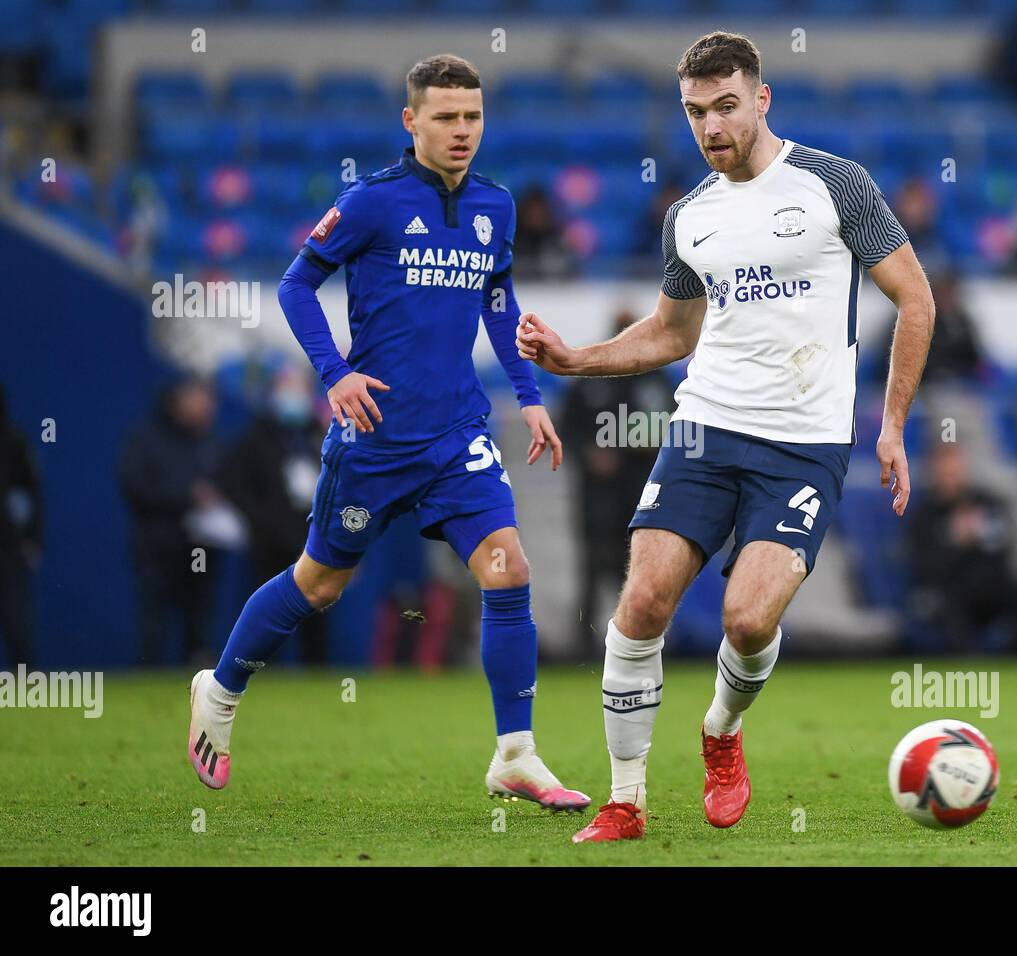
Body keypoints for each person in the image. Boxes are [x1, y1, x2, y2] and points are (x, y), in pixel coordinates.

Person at [518, 32, 934, 842]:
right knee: (641, 601)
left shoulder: (833, 185)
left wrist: (891, 426)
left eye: (726, 106)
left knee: (747, 620)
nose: (711, 126)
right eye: (695, 112)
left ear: (762, 98)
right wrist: (575, 360)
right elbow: (673, 333)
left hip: (805, 444)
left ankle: (722, 731)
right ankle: (626, 800)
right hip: (706, 430)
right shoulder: (690, 218)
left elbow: (915, 301)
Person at [186, 55, 588, 813]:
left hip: (457, 434)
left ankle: (515, 755)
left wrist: (530, 395)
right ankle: (223, 687)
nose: (461, 130)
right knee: (321, 582)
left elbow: (498, 299)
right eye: (445, 117)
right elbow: (296, 284)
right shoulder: (371, 203)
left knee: (509, 570)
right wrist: (334, 373)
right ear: (411, 121)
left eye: (472, 116)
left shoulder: (496, 207)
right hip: (374, 435)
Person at [559, 309, 676, 656]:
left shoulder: (654, 377)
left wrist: (626, 449)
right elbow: (568, 428)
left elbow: (670, 426)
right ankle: (585, 643)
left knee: (641, 567)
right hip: (596, 491)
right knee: (594, 563)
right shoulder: (591, 377)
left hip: (639, 488)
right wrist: (589, 453)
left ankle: (643, 639)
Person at [218, 362, 330, 664]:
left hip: (309, 537)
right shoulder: (256, 438)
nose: (294, 396)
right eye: (287, 388)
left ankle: (315, 671)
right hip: (268, 540)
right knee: (271, 606)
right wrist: (262, 520)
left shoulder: (317, 437)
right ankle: (261, 668)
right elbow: (235, 485)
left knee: (315, 606)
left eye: (300, 389)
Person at [119, 377, 226, 666]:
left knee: (199, 613)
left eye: (209, 402)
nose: (206, 408)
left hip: (202, 547)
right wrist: (187, 496)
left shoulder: (211, 443)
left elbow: (229, 489)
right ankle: (149, 671)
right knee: (154, 612)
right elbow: (135, 487)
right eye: (199, 400)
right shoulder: (147, 439)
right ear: (179, 401)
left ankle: (199, 678)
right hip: (158, 544)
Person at [906, 443, 1017, 653]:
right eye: (945, 474)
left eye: (955, 472)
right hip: (951, 587)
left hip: (988, 585)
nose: (951, 479)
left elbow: (1005, 548)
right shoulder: (925, 514)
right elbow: (923, 564)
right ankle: (966, 661)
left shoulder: (987, 503)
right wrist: (956, 541)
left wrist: (980, 535)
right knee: (951, 600)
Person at [0, 386, 41, 666]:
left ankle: (26, 684)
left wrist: (32, 538)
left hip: (8, 546)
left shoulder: (13, 442)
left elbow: (34, 493)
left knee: (16, 618)